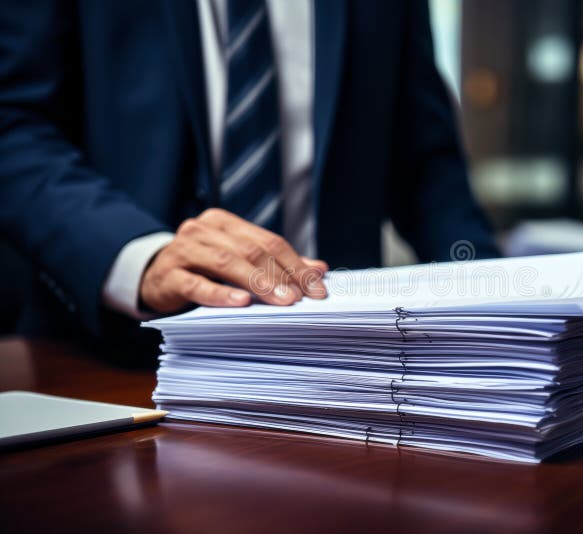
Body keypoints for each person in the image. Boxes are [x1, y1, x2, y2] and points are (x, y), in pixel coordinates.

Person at [0, 1, 497, 359]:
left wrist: (502, 304)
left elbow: (424, 162)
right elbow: (12, 124)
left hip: (344, 367)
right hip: (107, 366)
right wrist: (140, 256)